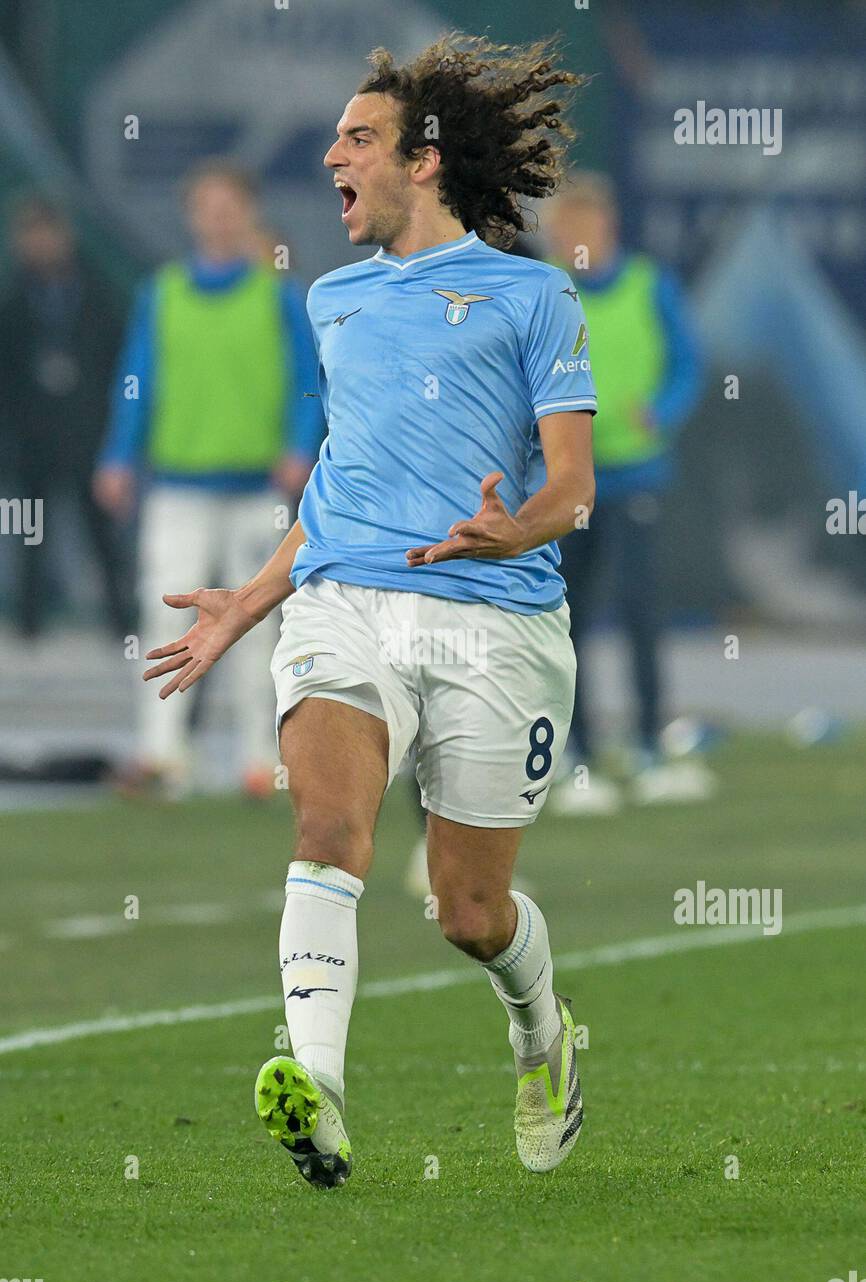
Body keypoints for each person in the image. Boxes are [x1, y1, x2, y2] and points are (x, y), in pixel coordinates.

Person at [144, 35, 595, 1187]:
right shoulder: (331, 299)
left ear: (425, 161)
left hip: (495, 623)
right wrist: (245, 604)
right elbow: (341, 480)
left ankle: (541, 1032)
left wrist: (517, 524)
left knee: (466, 908)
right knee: (326, 832)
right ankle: (319, 1092)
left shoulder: (532, 297)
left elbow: (569, 485)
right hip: (347, 604)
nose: (332, 154)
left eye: (357, 138)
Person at [94, 162, 322, 797]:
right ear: (192, 215)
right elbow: (136, 379)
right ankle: (163, 755)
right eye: (207, 205)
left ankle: (259, 760)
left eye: (229, 205)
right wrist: (118, 455)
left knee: (257, 626)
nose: (218, 217)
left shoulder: (278, 294)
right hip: (179, 485)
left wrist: (299, 446)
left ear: (247, 212)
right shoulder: (161, 292)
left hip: (257, 489)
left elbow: (309, 380)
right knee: (164, 613)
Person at [542, 172, 710, 812]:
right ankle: (575, 749)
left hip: (635, 475)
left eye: (585, 226)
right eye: (566, 229)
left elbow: (689, 364)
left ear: (606, 228)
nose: (575, 239)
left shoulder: (649, 284)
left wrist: (661, 412)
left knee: (640, 611)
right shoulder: (547, 289)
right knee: (568, 619)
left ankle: (647, 743)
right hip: (565, 483)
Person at [0, 197, 132, 638]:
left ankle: (119, 621)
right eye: (32, 235)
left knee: (101, 534)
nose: (41, 244)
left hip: (87, 433)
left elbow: (116, 362)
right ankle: (29, 625)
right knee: (31, 532)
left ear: (65, 237)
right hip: (32, 438)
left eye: (48, 233)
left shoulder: (96, 293)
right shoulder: (13, 301)